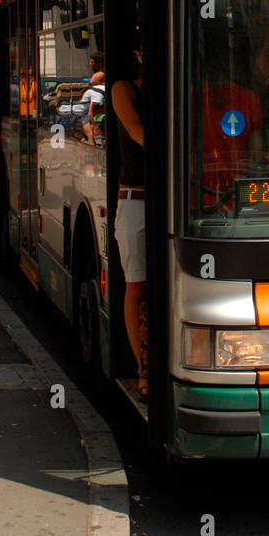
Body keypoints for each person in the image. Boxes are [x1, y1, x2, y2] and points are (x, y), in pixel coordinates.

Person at [111, 44, 148, 397]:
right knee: (137, 287)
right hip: (136, 200)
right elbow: (138, 133)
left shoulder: (181, 86)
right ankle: (142, 369)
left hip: (177, 201)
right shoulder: (123, 89)